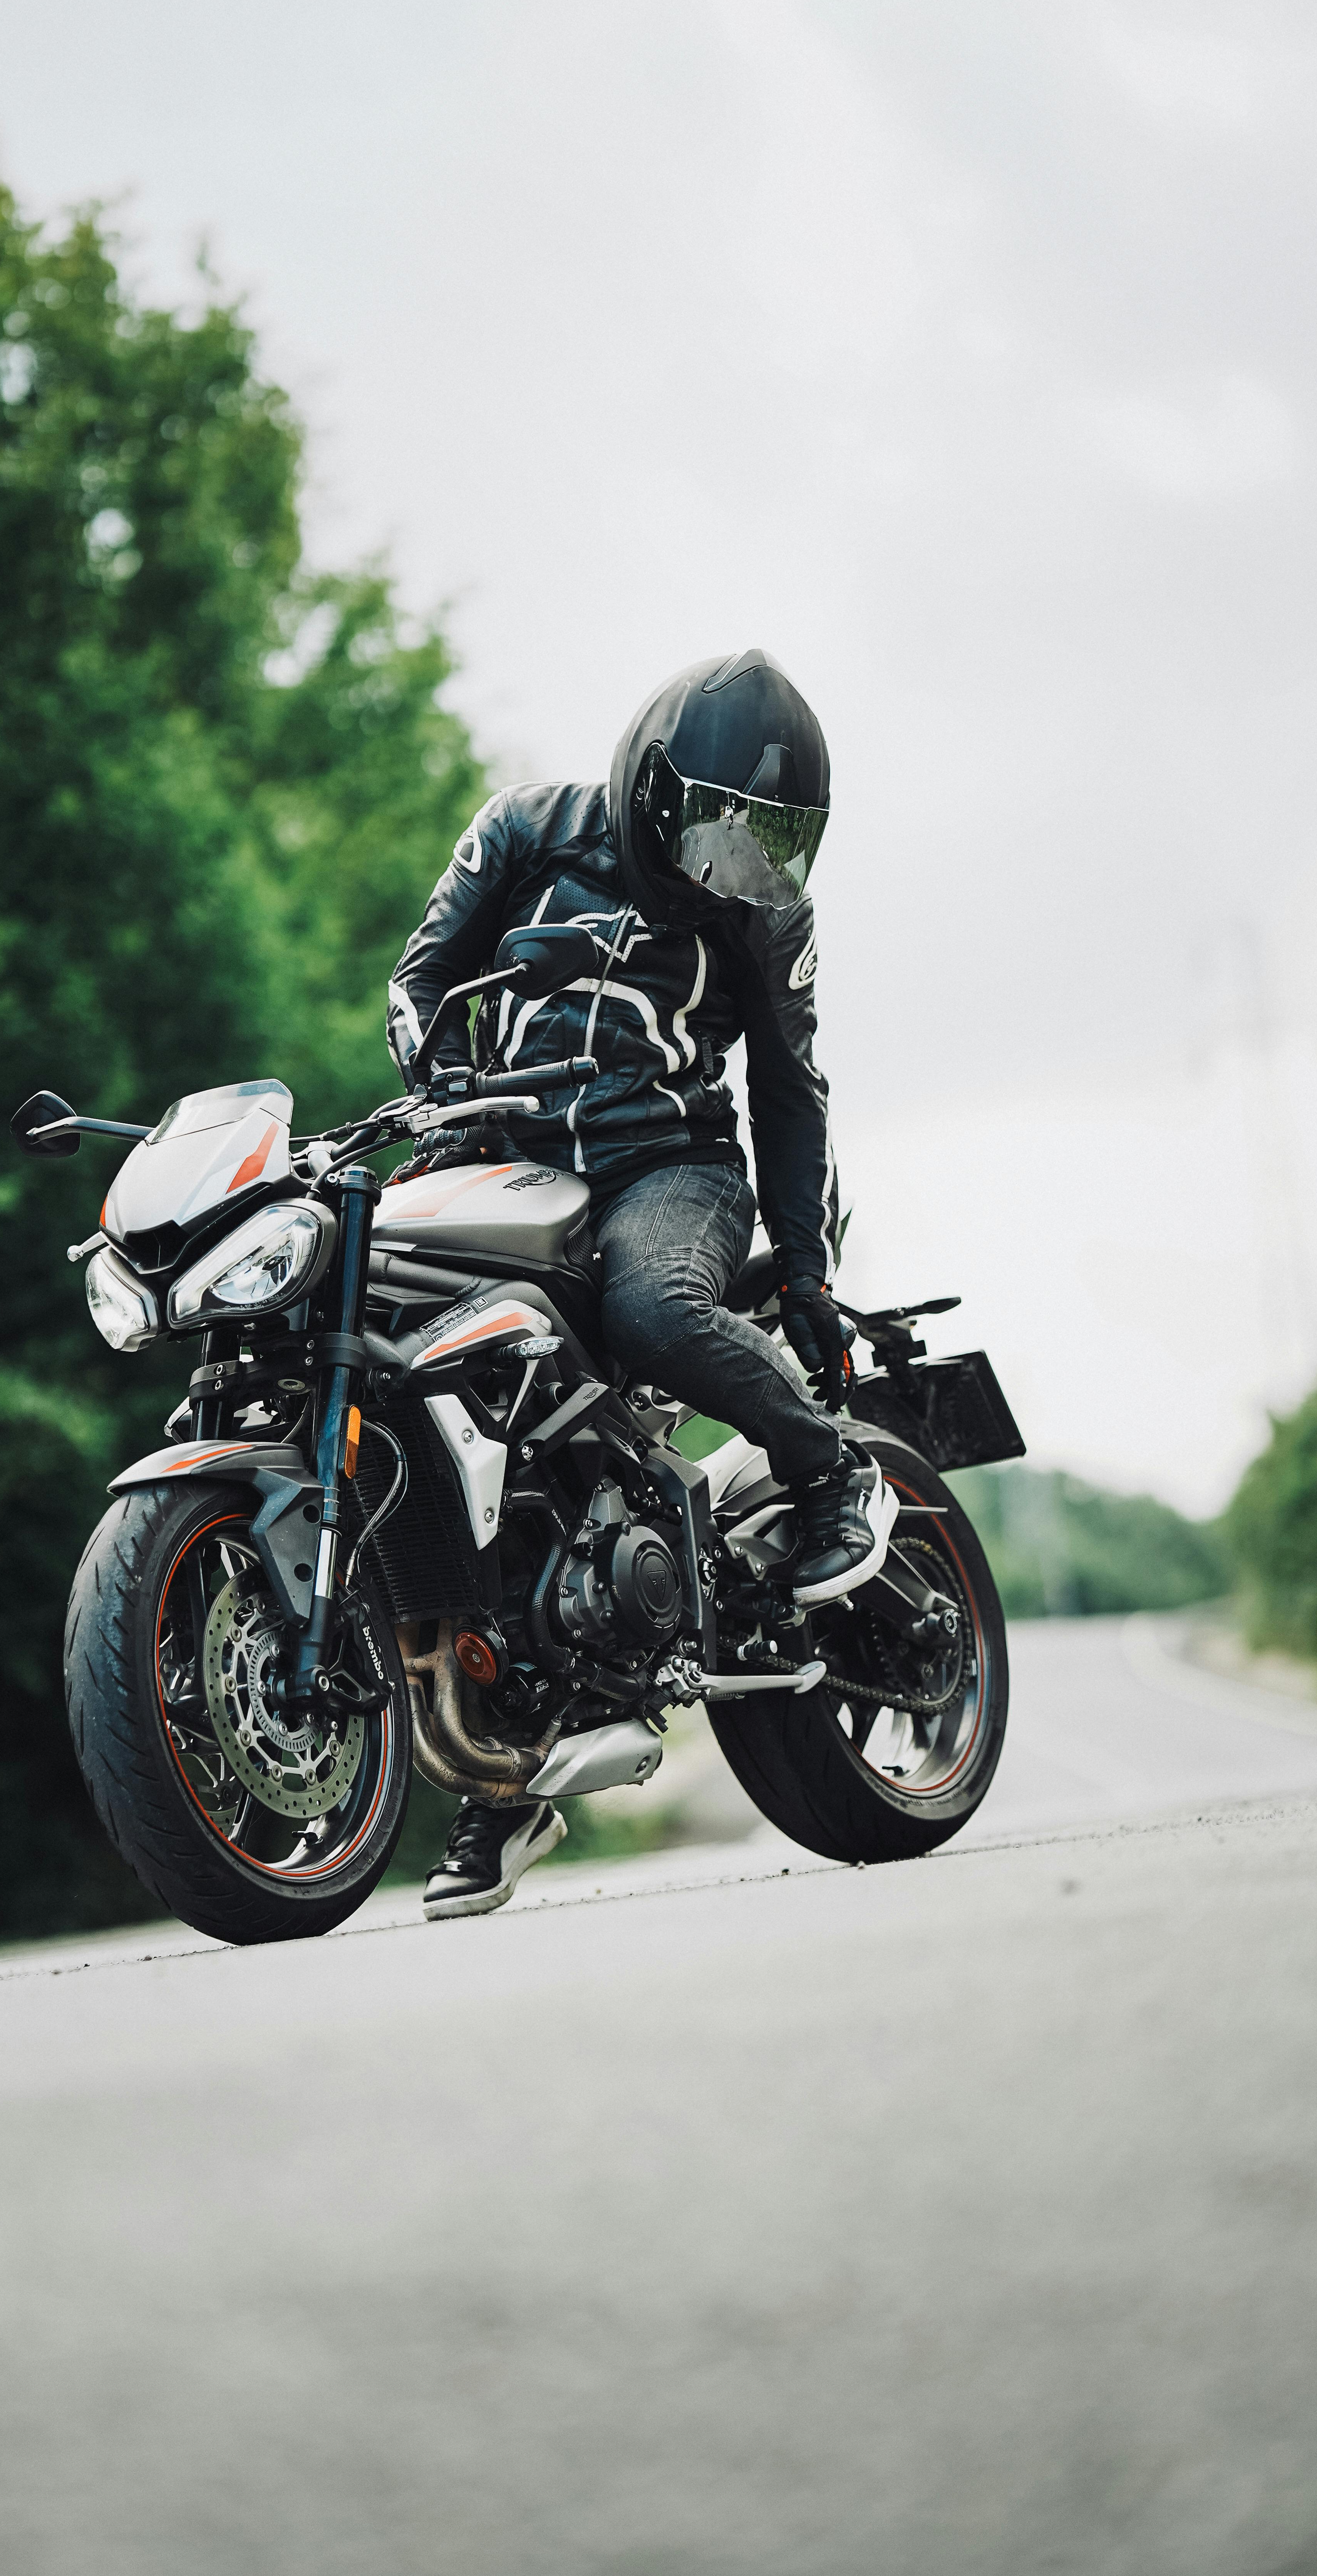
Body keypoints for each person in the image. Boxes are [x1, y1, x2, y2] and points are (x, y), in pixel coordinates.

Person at [386, 650, 890, 1918]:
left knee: (654, 1309)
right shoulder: (522, 832)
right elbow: (420, 983)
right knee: (426, 1397)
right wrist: (444, 1079)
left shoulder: (763, 916)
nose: (745, 865)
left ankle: (835, 1467)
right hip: (502, 1164)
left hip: (672, 1173)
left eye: (774, 843)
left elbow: (789, 1089)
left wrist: (810, 1271)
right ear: (658, 785)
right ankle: (504, 1769)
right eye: (727, 830)